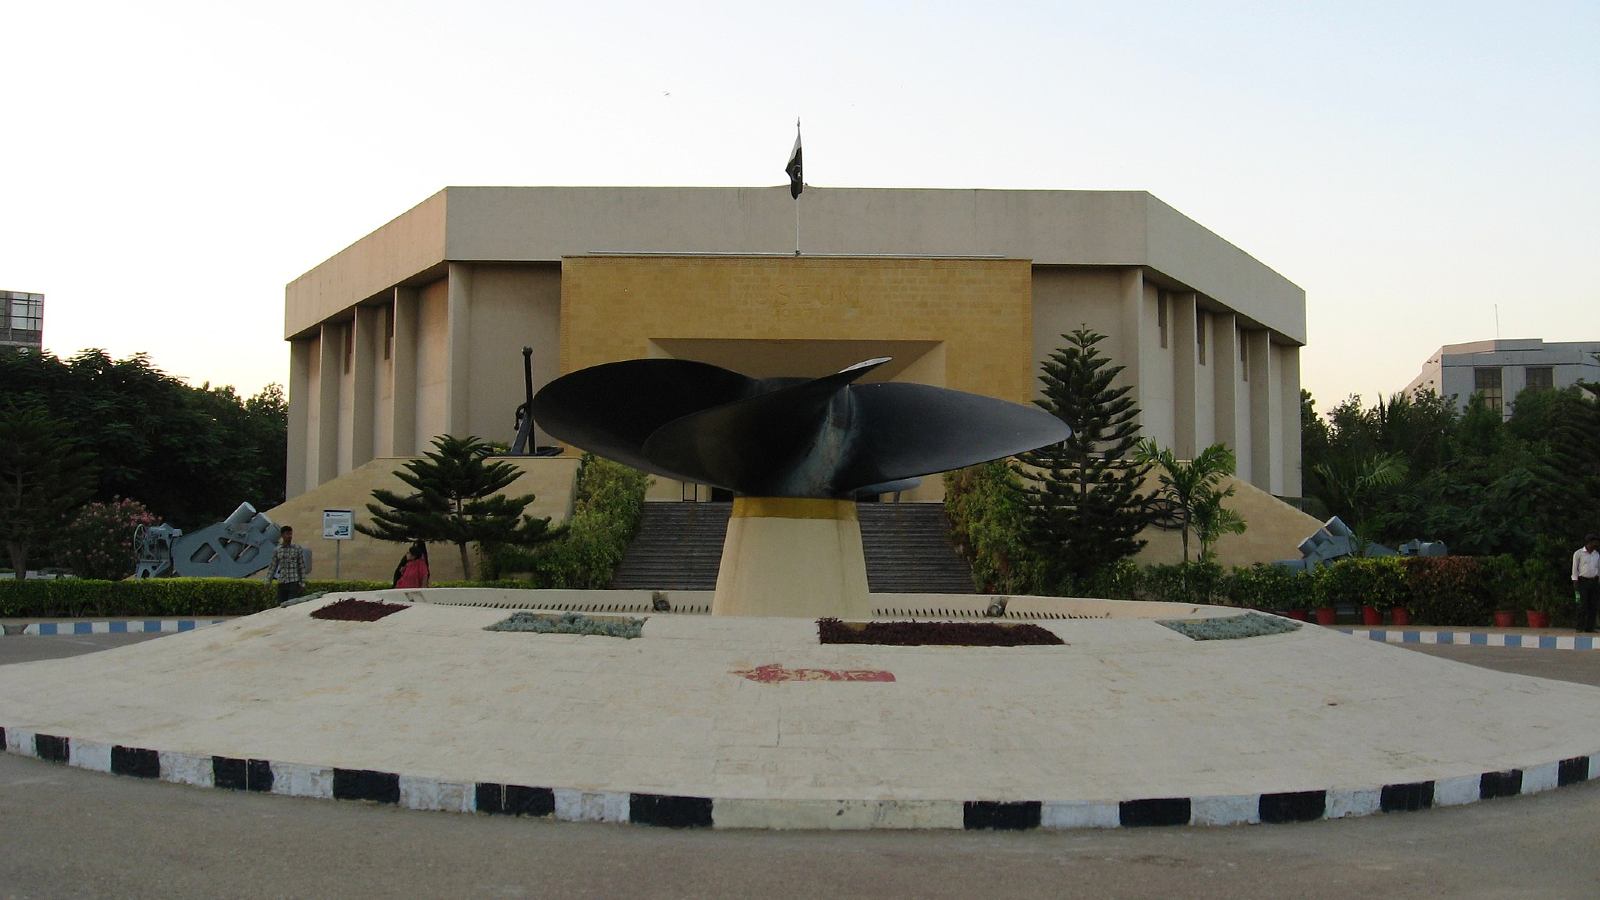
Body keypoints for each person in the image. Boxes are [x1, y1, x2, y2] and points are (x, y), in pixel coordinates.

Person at [267, 526, 311, 603]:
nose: (289, 536)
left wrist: (302, 583)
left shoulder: (297, 549)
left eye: (291, 534)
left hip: (294, 582)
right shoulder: (277, 550)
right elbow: (273, 567)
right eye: (287, 534)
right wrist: (268, 581)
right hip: (282, 582)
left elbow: (301, 566)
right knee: (281, 605)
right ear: (282, 535)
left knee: (291, 605)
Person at [1573, 533, 1600, 633]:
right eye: (1595, 542)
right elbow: (1574, 569)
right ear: (1590, 542)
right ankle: (1579, 627)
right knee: (1582, 605)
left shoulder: (1596, 554)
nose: (1597, 544)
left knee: (1593, 605)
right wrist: (1575, 582)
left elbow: (1598, 569)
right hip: (1582, 582)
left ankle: (1590, 628)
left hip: (1594, 582)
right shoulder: (1578, 553)